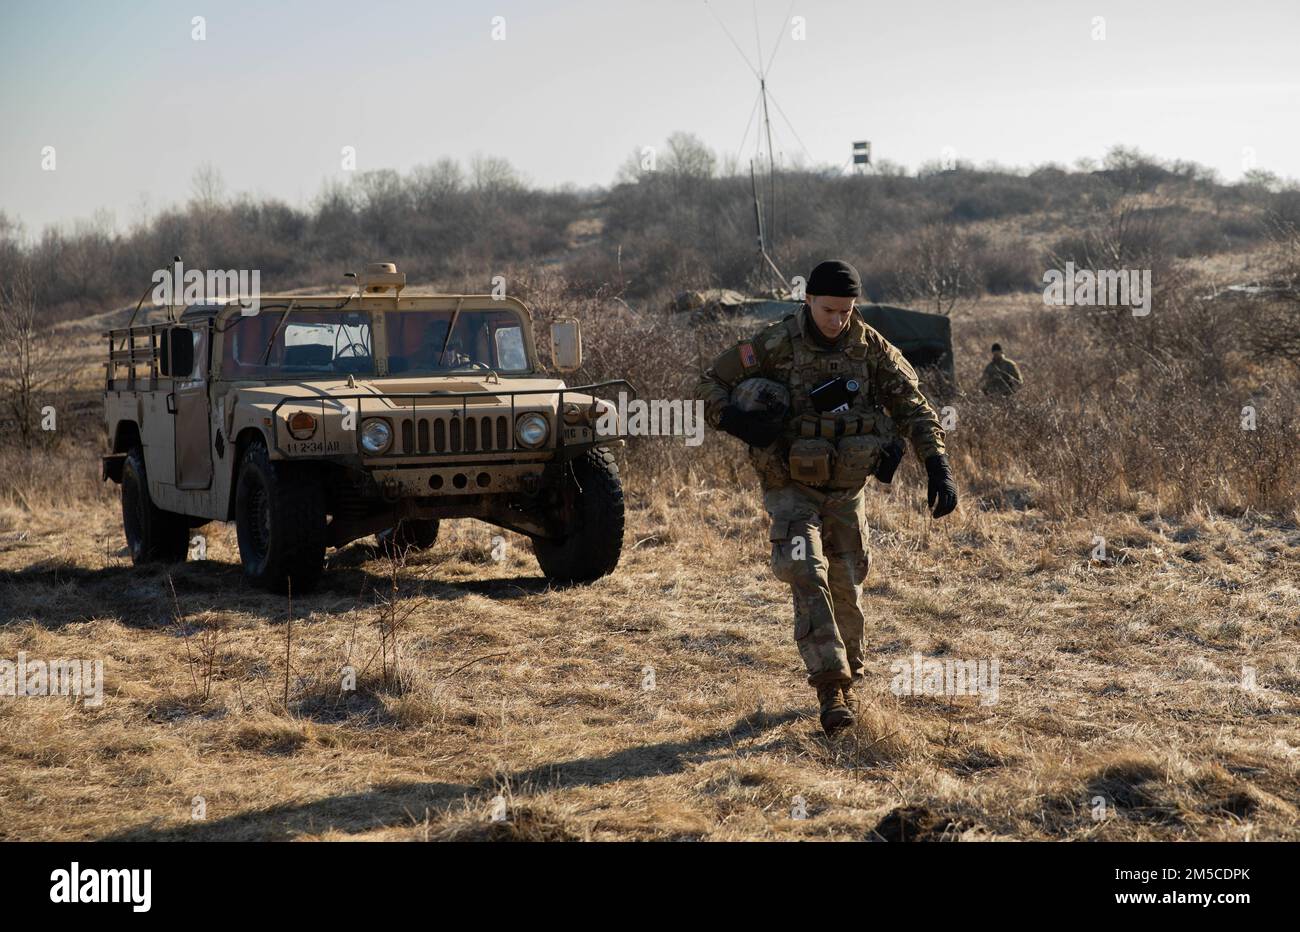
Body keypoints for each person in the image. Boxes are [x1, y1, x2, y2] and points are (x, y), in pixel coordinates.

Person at [696, 260, 957, 736]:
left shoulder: (871, 347)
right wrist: (735, 421)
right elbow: (707, 383)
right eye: (829, 310)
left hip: (847, 489)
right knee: (805, 571)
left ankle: (850, 673)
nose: (838, 320)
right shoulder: (775, 343)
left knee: (847, 585)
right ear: (808, 301)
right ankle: (831, 688)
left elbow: (913, 404)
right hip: (789, 486)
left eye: (846, 310)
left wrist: (937, 464)